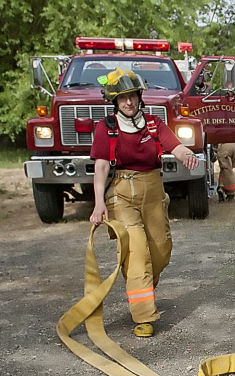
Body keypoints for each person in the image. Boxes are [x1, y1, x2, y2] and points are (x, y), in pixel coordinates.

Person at [89, 68, 199, 337]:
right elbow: (101, 166)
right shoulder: (106, 128)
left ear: (140, 97)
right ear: (114, 101)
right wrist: (98, 203)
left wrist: (186, 153)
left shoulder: (153, 124)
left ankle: (148, 281)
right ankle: (144, 317)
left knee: (161, 249)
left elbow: (175, 146)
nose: (128, 102)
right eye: (122, 98)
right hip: (120, 195)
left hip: (153, 192)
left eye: (132, 96)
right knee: (137, 252)